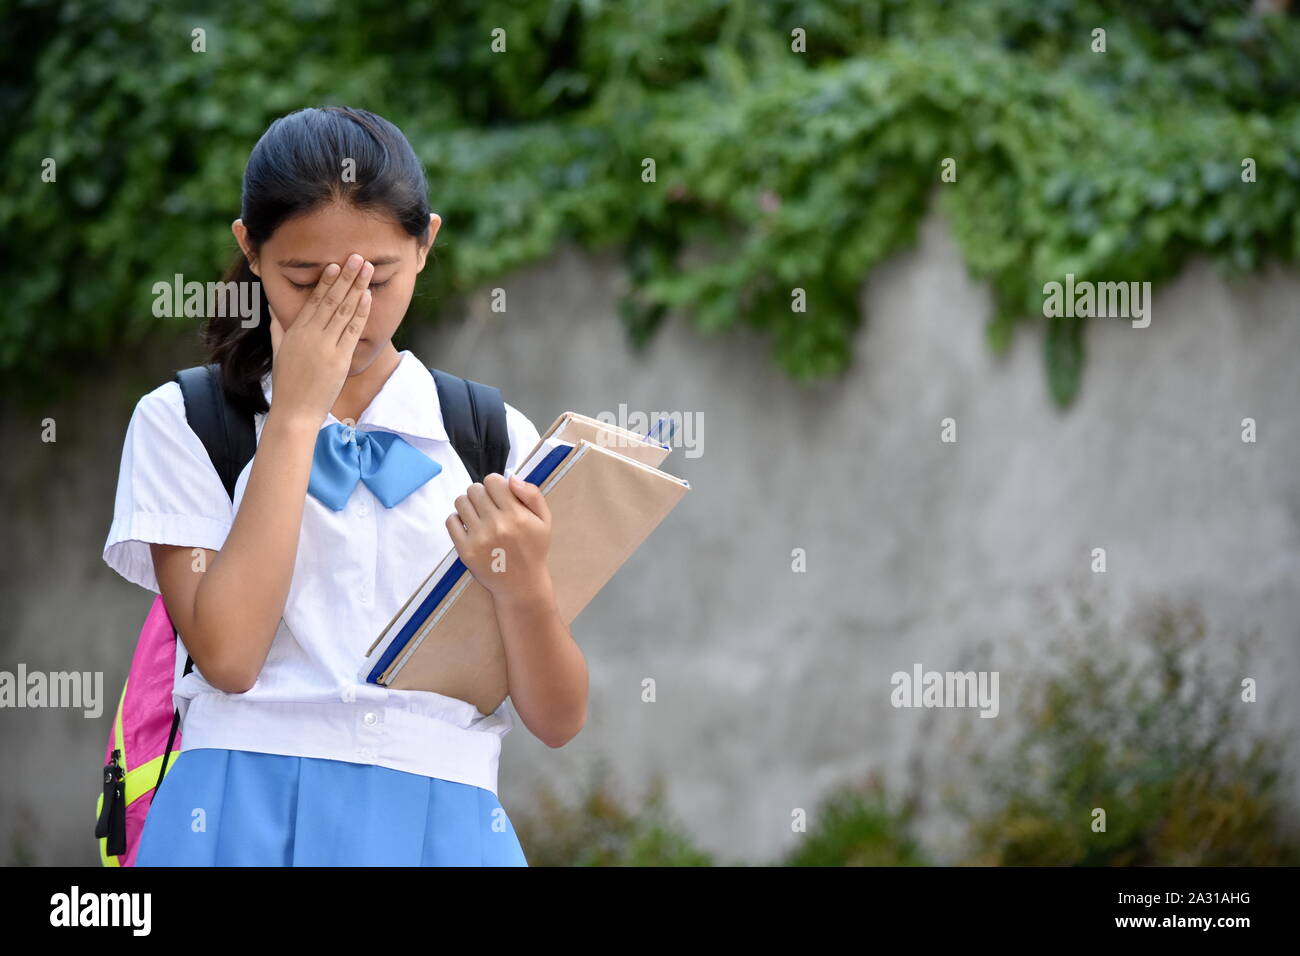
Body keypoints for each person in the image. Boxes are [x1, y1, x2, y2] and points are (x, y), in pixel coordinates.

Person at [102, 106, 588, 866]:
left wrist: (525, 587)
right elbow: (228, 656)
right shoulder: (188, 421)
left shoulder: (489, 435)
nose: (345, 311)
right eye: (306, 280)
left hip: (445, 820)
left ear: (426, 243)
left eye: (377, 277)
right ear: (250, 251)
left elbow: (558, 718)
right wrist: (294, 416)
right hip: (238, 811)